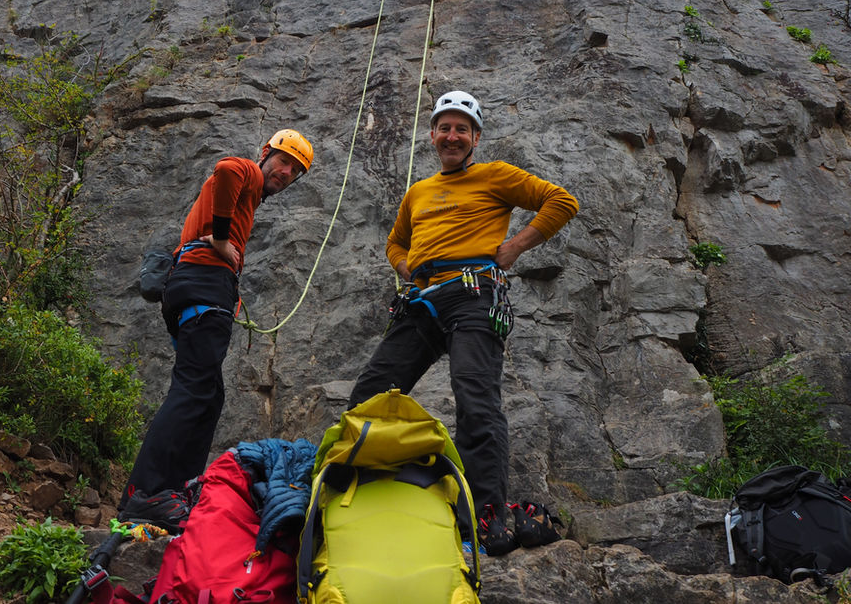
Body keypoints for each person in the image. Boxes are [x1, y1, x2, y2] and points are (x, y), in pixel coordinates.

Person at [347, 91, 578, 556]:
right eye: (445, 128)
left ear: (475, 138)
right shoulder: (419, 192)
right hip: (422, 300)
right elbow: (395, 243)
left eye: (461, 129)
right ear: (433, 135)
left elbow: (561, 201)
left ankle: (488, 513)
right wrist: (407, 267)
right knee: (368, 395)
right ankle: (363, 487)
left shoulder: (494, 176)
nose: (452, 136)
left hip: (475, 295)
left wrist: (516, 246)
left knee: (475, 398)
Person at [119, 128, 314, 513]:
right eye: (284, 161)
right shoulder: (248, 172)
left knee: (208, 396)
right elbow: (226, 169)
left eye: (296, 171)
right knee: (194, 391)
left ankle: (179, 490)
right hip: (204, 282)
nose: (287, 172)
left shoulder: (250, 196)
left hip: (200, 287)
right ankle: (147, 493)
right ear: (266, 153)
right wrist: (223, 240)